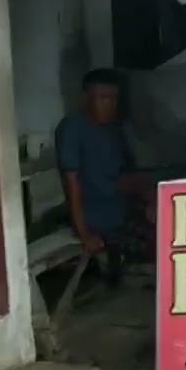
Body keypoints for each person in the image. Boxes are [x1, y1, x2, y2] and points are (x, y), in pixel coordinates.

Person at [56, 68, 155, 284]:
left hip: (122, 209)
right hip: (95, 218)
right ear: (86, 98)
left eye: (113, 99)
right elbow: (72, 185)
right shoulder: (72, 129)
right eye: (103, 98)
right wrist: (85, 234)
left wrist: (150, 199)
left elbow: (128, 175)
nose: (109, 105)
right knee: (155, 243)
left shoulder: (114, 129)